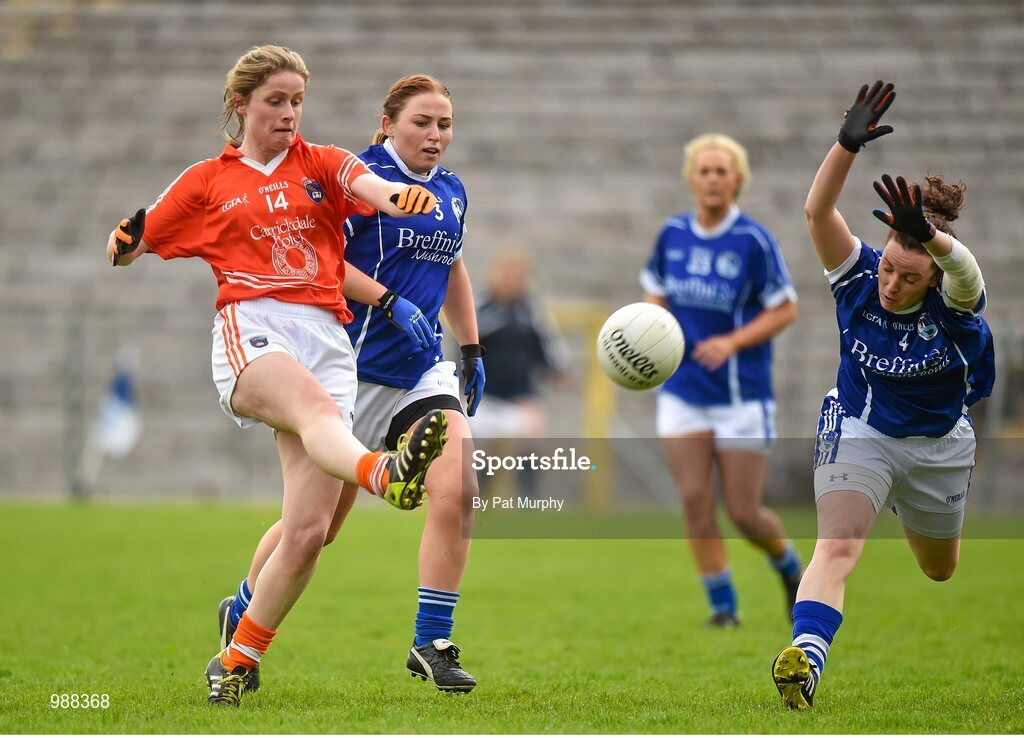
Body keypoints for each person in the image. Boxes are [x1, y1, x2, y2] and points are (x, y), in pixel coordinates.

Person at [106, 46, 453, 707]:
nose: (290, 112)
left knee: (308, 532)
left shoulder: (322, 163)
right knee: (320, 414)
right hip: (254, 325)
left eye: (297, 101)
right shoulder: (209, 179)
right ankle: (385, 473)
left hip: (327, 335)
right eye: (276, 101)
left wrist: (400, 196)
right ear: (240, 105)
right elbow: (135, 241)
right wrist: (123, 242)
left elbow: (370, 186)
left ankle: (235, 657)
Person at [216, 74, 484, 693]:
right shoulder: (353, 176)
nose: (436, 135)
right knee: (314, 532)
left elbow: (453, 262)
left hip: (417, 376)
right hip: (344, 371)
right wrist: (388, 301)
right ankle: (243, 608)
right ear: (387, 123)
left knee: (458, 481)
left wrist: (470, 345)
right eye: (423, 122)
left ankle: (432, 640)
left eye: (445, 124)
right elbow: (319, 261)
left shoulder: (451, 190)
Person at [771, 81, 994, 710]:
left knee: (939, 570)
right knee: (837, 547)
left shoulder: (954, 303)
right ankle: (805, 661)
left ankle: (897, 500)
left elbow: (967, 274)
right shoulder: (861, 278)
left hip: (938, 445)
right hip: (860, 429)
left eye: (909, 275)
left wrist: (938, 242)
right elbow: (817, 213)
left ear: (936, 273)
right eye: (889, 268)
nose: (892, 284)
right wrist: (845, 146)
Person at [640, 133, 802, 627]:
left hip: (739, 395)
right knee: (694, 500)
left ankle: (790, 567)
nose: (712, 179)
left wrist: (732, 342)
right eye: (704, 171)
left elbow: (786, 308)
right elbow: (654, 295)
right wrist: (653, 335)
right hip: (683, 390)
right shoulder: (672, 234)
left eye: (722, 171)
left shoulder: (752, 240)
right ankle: (723, 608)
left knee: (745, 512)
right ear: (691, 179)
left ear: (737, 180)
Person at [469, 251, 571, 497]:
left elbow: (547, 345)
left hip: (520, 393)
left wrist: (557, 369)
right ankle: (478, 497)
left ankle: (528, 499)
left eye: (520, 275)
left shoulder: (530, 311)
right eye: (509, 273)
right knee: (487, 454)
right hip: (486, 396)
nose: (514, 280)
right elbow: (465, 344)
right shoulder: (481, 306)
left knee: (533, 434)